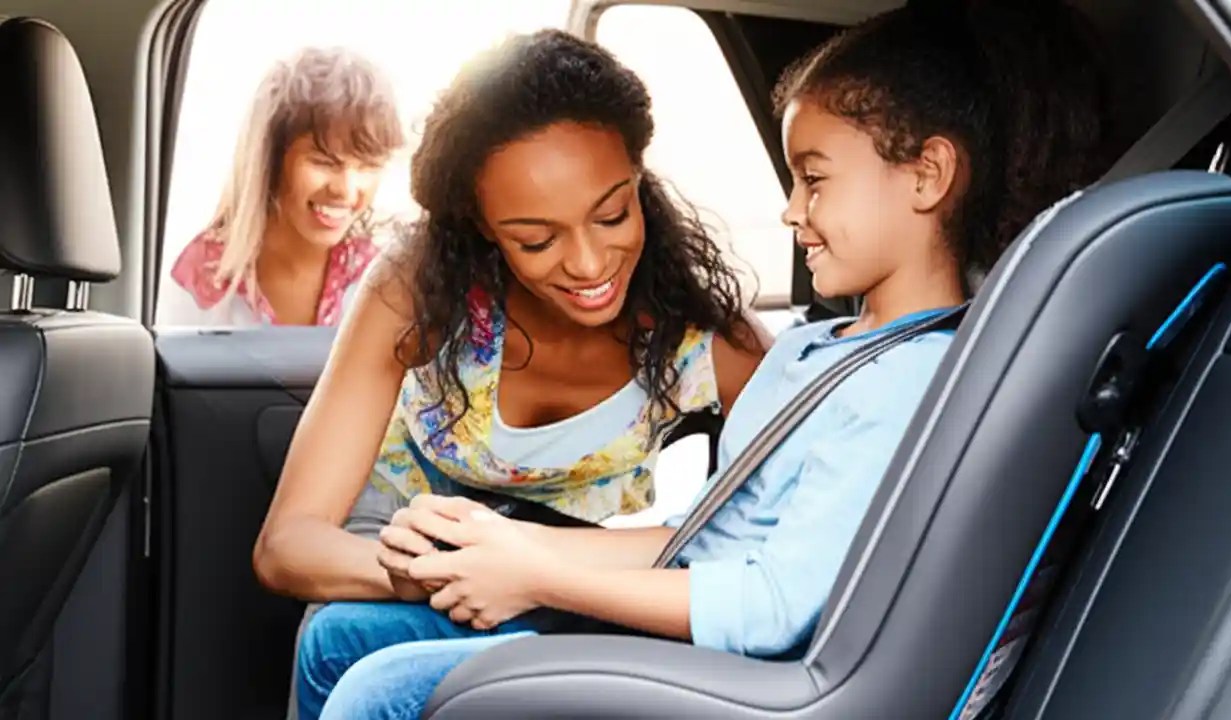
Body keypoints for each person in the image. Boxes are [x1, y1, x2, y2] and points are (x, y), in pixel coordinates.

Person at [307, 1, 1113, 717]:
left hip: (740, 674)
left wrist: (540, 576)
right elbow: (698, 534)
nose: (791, 209)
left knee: (374, 692)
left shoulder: (908, 382)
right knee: (338, 639)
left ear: (928, 175)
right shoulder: (810, 351)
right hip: (697, 639)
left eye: (814, 178)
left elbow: (774, 606)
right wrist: (507, 548)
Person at [251, 29, 772, 719]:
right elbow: (287, 546)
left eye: (613, 213)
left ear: (640, 179)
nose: (589, 264)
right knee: (337, 636)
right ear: (482, 227)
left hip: (579, 573)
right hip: (402, 548)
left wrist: (531, 566)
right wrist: (445, 569)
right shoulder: (418, 291)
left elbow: (767, 550)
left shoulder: (711, 344)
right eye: (537, 238)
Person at [157, 46, 406, 327]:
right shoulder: (200, 281)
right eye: (324, 162)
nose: (346, 190)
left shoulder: (385, 280)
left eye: (367, 166)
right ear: (271, 160)